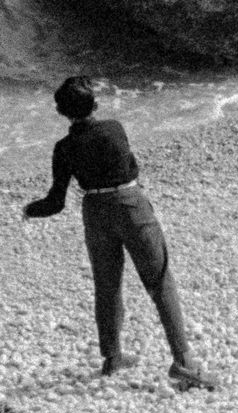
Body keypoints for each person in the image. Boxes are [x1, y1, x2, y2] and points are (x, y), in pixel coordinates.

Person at [20, 77, 219, 389]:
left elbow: (55, 202)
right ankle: (184, 363)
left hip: (94, 211)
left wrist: (29, 210)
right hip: (129, 205)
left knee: (107, 285)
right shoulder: (113, 128)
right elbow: (131, 167)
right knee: (160, 282)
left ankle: (113, 358)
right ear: (95, 105)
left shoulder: (64, 148)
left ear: (61, 112)